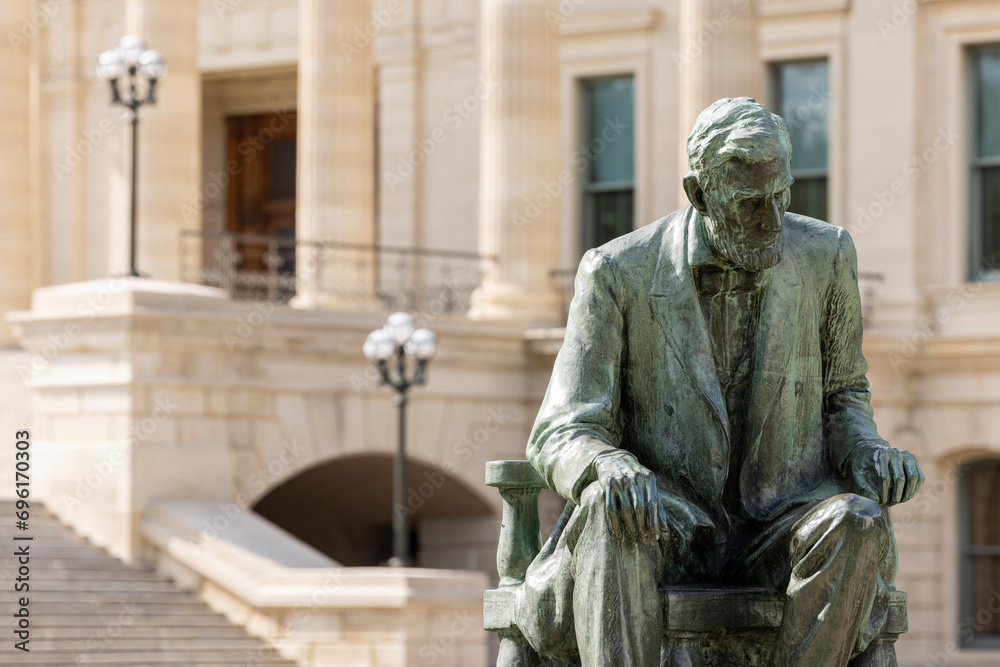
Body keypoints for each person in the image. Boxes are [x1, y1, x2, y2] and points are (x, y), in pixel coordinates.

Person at [518, 97, 924, 667]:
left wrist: (872, 453)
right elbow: (562, 429)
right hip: (665, 523)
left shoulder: (827, 256)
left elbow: (844, 399)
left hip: (781, 523)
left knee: (857, 521)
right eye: (749, 203)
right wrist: (607, 465)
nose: (771, 220)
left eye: (781, 195)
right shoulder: (616, 272)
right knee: (614, 511)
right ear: (699, 193)